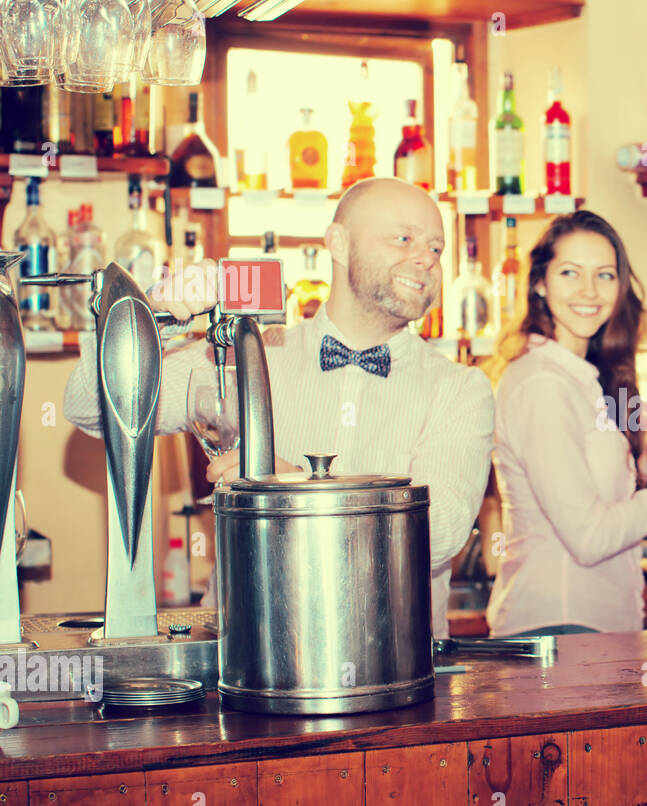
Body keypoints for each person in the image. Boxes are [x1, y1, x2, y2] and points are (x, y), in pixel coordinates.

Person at [64, 177, 493, 639]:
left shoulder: (461, 388)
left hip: (394, 668)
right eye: (404, 238)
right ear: (339, 243)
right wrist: (154, 315)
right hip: (245, 655)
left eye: (436, 247)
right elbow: (90, 407)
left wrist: (294, 491)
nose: (426, 258)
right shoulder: (247, 353)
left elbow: (439, 531)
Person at [485, 210, 647, 638]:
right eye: (570, 273)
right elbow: (590, 537)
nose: (589, 291)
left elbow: (592, 490)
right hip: (559, 629)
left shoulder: (575, 373)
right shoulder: (542, 385)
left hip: (587, 626)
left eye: (605, 275)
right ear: (540, 283)